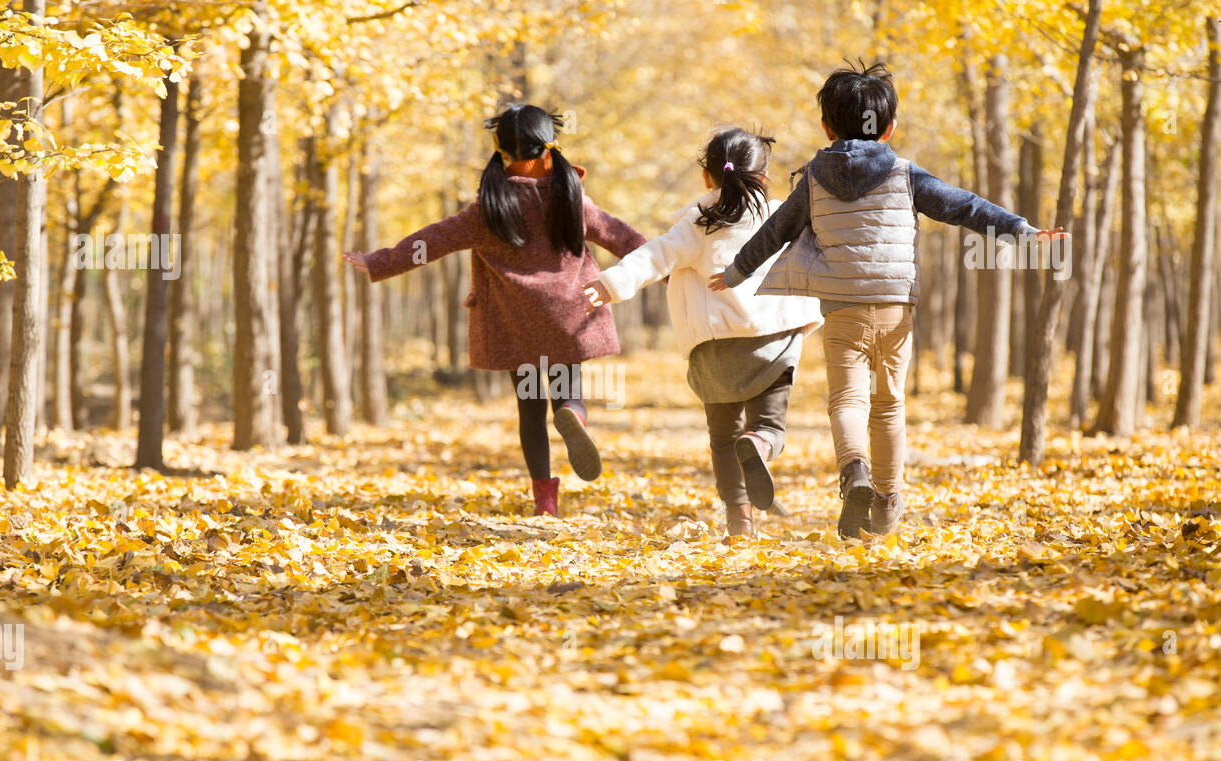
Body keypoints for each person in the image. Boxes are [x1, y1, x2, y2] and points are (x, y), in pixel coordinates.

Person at [717, 61, 1066, 538]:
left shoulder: (814, 179)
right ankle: (885, 501)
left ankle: (853, 471)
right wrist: (1020, 230)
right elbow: (963, 205)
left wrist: (736, 271)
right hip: (895, 306)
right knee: (889, 405)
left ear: (825, 126)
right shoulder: (905, 174)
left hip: (840, 306)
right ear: (890, 128)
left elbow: (775, 233)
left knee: (847, 400)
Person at [344, 104, 645, 517]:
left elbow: (435, 239)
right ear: (550, 150)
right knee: (566, 390)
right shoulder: (571, 197)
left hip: (514, 321)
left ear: (501, 152)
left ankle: (545, 502)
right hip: (569, 318)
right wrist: (668, 269)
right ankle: (573, 414)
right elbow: (621, 236)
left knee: (529, 407)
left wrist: (383, 260)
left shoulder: (489, 206)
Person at [585, 127, 822, 536]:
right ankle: (762, 444)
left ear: (707, 177)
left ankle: (739, 520)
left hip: (715, 351)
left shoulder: (696, 224)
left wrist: (611, 284)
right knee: (768, 426)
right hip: (774, 341)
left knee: (723, 439)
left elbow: (652, 256)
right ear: (763, 178)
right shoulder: (783, 217)